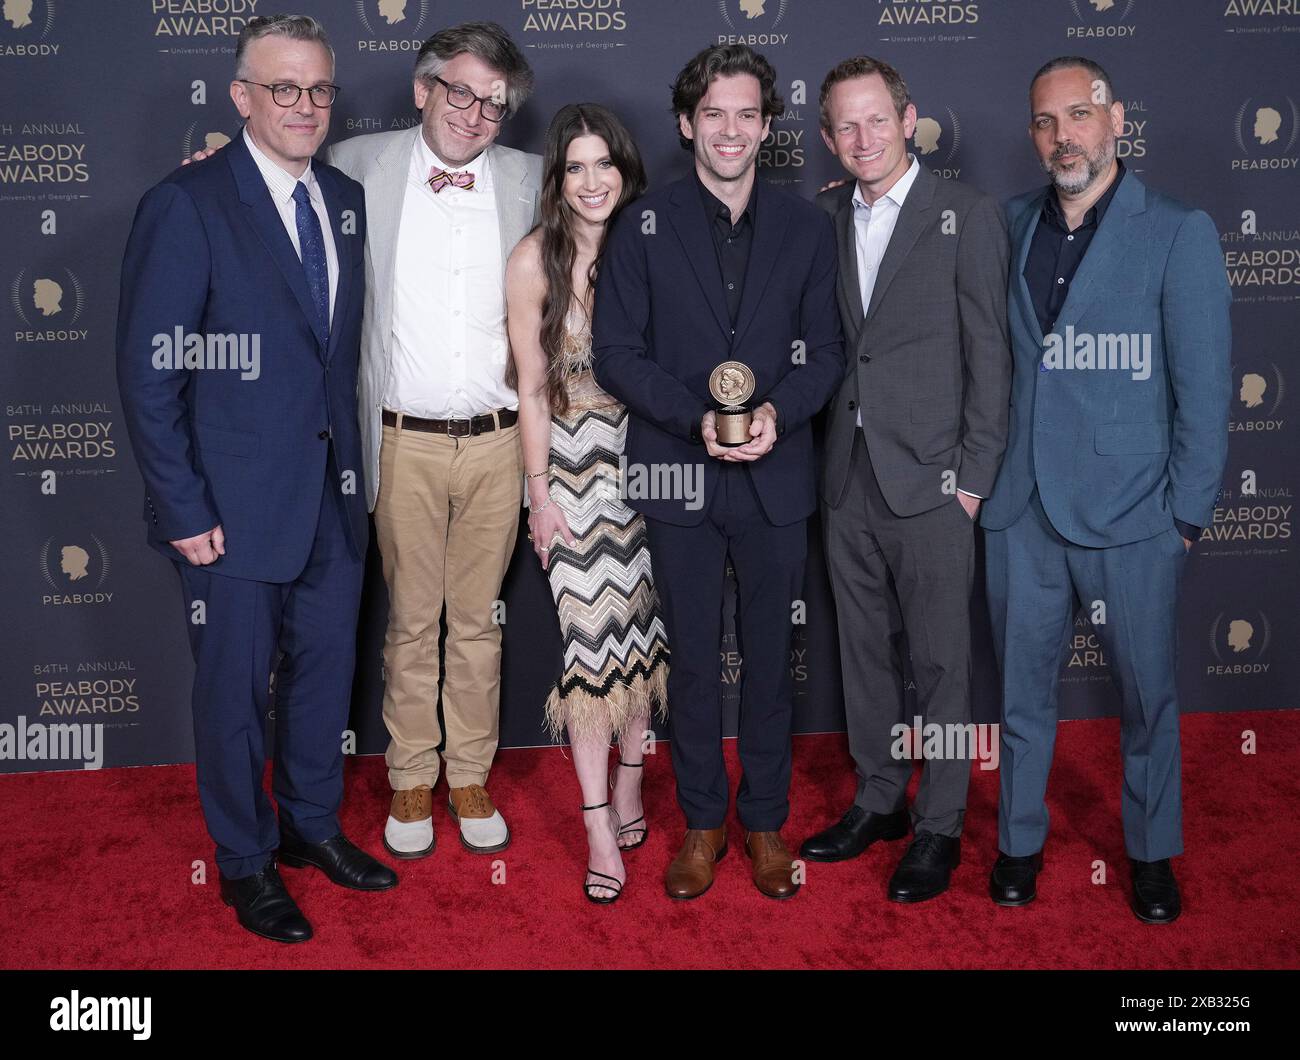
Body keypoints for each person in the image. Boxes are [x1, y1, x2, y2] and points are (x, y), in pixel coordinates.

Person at [116, 14, 396, 945]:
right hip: (229, 509)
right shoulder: (187, 203)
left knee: (324, 678)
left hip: (331, 496)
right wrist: (184, 507)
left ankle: (311, 826)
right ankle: (244, 862)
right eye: (284, 89)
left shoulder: (345, 198)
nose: (306, 106)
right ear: (241, 97)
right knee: (233, 693)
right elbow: (151, 371)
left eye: (319, 89)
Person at [980, 56, 1231, 923]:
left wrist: (1186, 518)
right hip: (1019, 510)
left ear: (1115, 118)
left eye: (1079, 116)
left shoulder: (1176, 230)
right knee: (1018, 696)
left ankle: (1152, 853)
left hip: (1133, 515)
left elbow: (1204, 389)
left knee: (1147, 699)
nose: (1063, 137)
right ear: (1033, 135)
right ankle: (1019, 843)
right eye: (1046, 123)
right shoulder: (1005, 223)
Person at [592, 44, 845, 901]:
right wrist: (696, 420)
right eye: (713, 114)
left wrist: (777, 412)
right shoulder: (643, 223)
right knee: (694, 662)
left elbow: (827, 352)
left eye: (746, 114)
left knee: (771, 663)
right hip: (677, 475)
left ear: (767, 126)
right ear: (685, 123)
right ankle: (703, 824)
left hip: (776, 479)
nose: (729, 130)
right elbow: (616, 354)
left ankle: (766, 824)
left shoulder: (809, 227)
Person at [324, 22, 542, 859]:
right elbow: (267, 191)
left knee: (478, 624)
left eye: (493, 100)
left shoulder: (529, 177)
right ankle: (411, 778)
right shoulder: (356, 166)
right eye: (459, 90)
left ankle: (470, 775)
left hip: (498, 440)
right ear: (422, 89)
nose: (475, 112)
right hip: (400, 439)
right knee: (412, 623)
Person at [800, 56, 1011, 903]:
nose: (863, 139)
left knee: (943, 665)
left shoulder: (967, 213)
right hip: (845, 476)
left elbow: (990, 358)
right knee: (863, 655)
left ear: (908, 117)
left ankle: (941, 824)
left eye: (877, 120)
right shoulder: (818, 217)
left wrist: (973, 482)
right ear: (827, 138)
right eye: (846, 126)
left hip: (934, 481)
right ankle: (881, 798)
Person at [505, 103, 668, 904]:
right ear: (558, 178)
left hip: (654, 469)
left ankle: (634, 782)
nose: (592, 180)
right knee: (592, 652)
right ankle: (599, 821)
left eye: (604, 163)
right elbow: (532, 392)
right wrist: (538, 496)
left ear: (624, 170)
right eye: (575, 166)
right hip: (572, 475)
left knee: (642, 642)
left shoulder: (653, 245)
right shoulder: (535, 257)